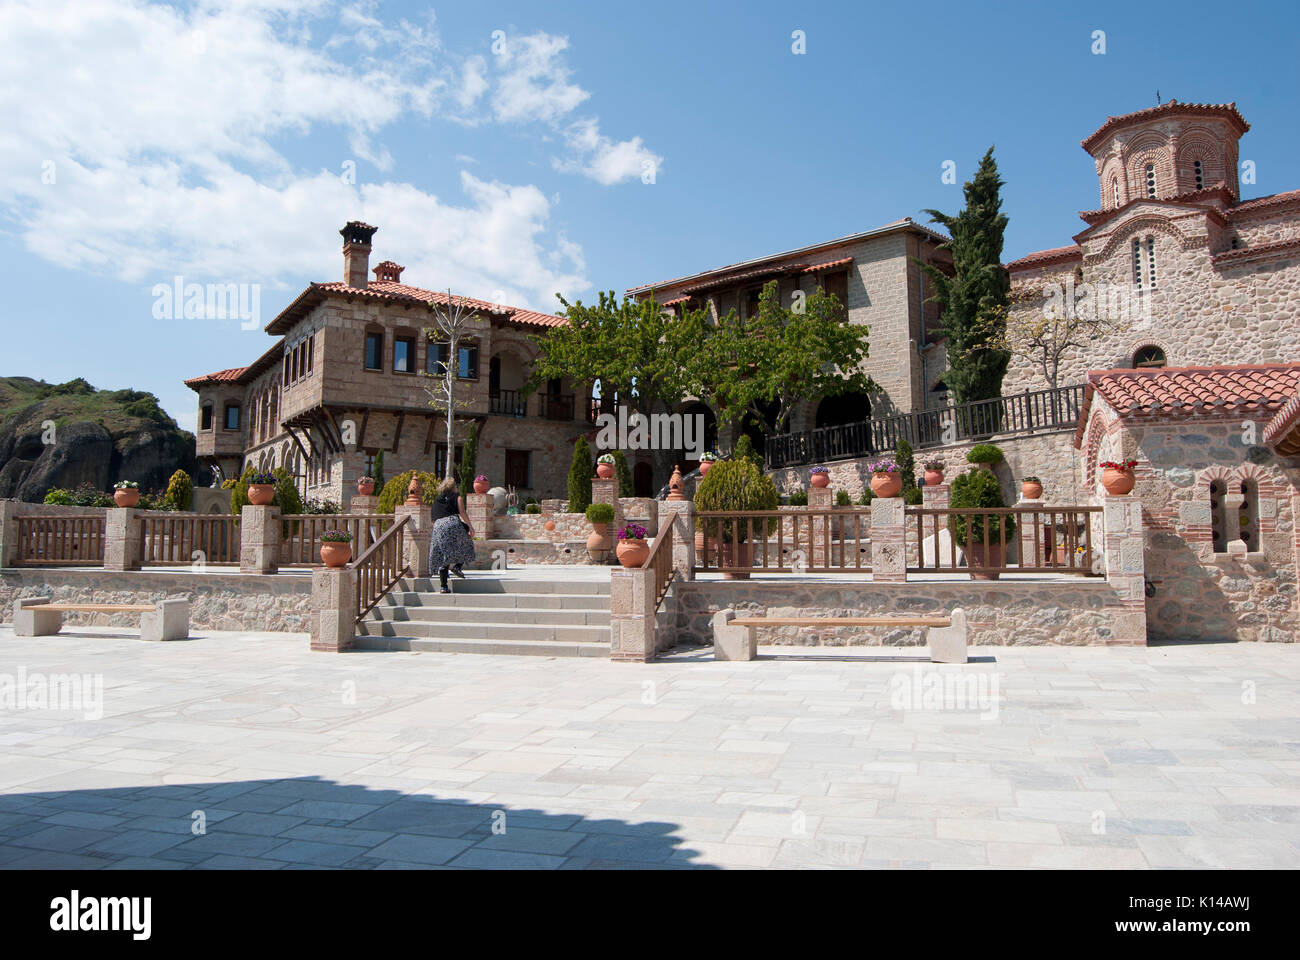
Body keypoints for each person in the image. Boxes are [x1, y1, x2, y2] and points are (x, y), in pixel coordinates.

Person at [428, 476, 476, 593]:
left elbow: (433, 519)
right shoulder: (457, 497)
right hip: (452, 523)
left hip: (438, 526)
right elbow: (462, 513)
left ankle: (443, 586)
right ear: (453, 487)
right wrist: (470, 527)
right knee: (467, 542)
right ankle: (458, 566)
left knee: (443, 554)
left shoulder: (436, 500)